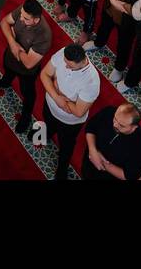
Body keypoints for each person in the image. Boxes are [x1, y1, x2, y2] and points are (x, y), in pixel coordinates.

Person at [39, 44, 101, 180]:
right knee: (47, 124)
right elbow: (44, 74)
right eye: (65, 63)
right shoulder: (64, 52)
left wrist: (55, 87)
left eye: (70, 66)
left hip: (69, 123)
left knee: (66, 146)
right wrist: (57, 97)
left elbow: (78, 112)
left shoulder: (92, 81)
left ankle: (62, 169)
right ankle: (46, 134)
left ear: (82, 61)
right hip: (49, 105)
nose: (66, 66)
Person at [0, 0, 52, 135]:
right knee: (7, 73)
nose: (20, 19)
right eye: (21, 15)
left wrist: (14, 45)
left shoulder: (44, 35)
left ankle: (26, 116)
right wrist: (13, 42)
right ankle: (5, 82)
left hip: (27, 72)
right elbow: (4, 22)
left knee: (28, 93)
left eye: (26, 19)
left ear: (36, 20)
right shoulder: (24, 10)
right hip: (10, 57)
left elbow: (28, 63)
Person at [80, 103, 141, 180]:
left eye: (121, 125)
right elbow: (91, 127)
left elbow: (129, 175)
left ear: (134, 127)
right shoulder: (109, 111)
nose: (115, 125)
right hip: (89, 162)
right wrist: (92, 150)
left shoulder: (140, 144)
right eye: (115, 119)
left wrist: (102, 162)